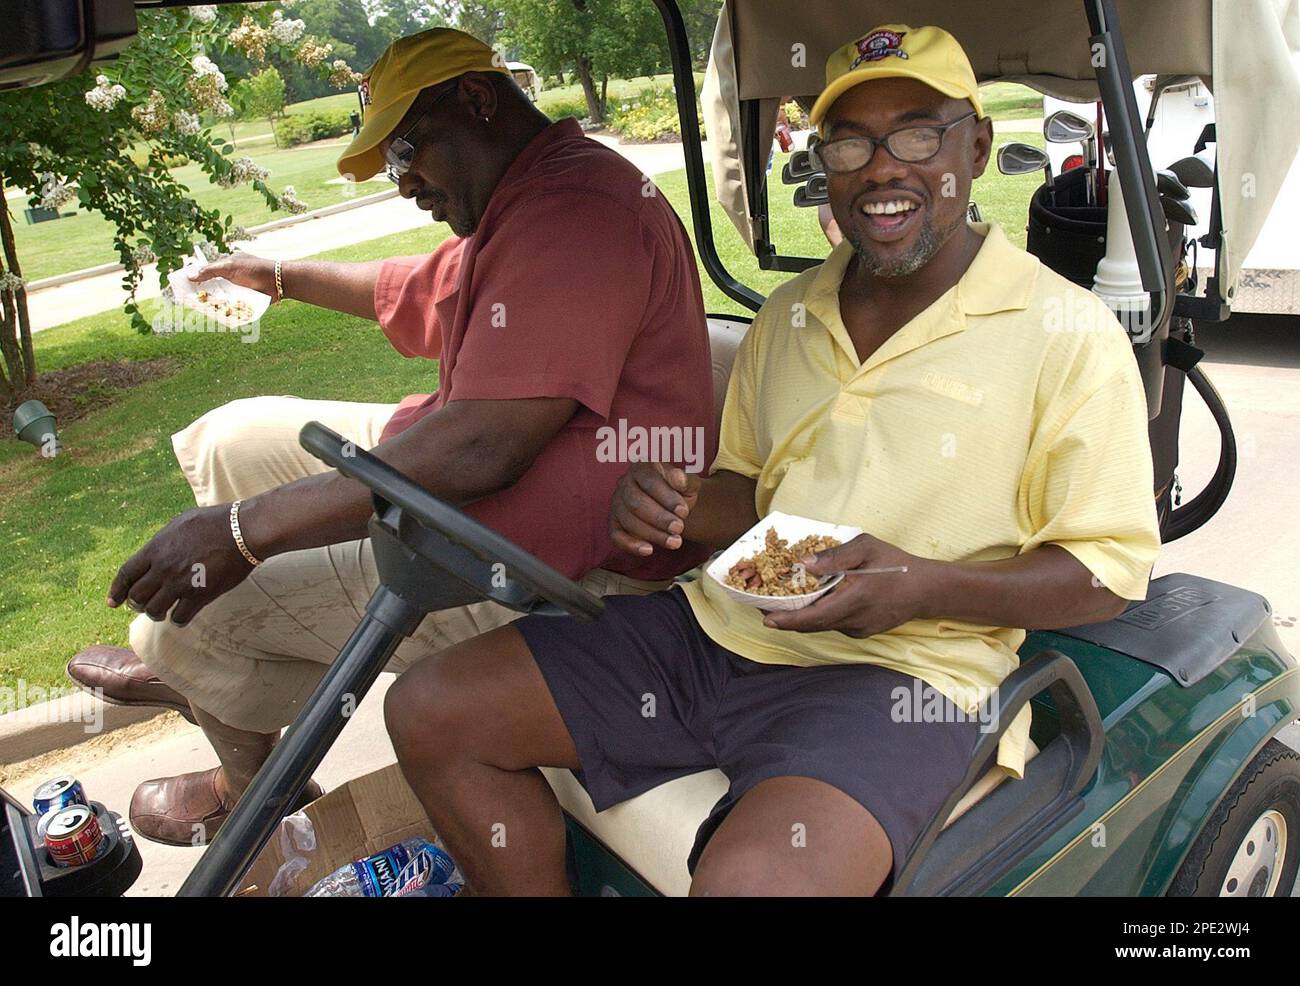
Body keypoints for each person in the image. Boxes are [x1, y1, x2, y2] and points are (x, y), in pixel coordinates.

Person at [383, 24, 1162, 896]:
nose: (881, 168)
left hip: (900, 678)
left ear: (975, 146)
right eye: (849, 142)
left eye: (916, 133)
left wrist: (922, 583)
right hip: (714, 631)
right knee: (431, 710)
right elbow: (749, 497)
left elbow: (1105, 574)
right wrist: (670, 502)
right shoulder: (790, 316)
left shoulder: (1066, 333)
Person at [68, 27, 715, 846]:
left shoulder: (577, 213)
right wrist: (276, 276)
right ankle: (230, 688)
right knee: (232, 437)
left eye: (408, 150)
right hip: (464, 493)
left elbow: (483, 448)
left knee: (176, 624)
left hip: (547, 569)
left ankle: (241, 765)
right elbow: (418, 288)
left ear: (477, 101)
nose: (405, 182)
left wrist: (246, 530)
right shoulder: (529, 200)